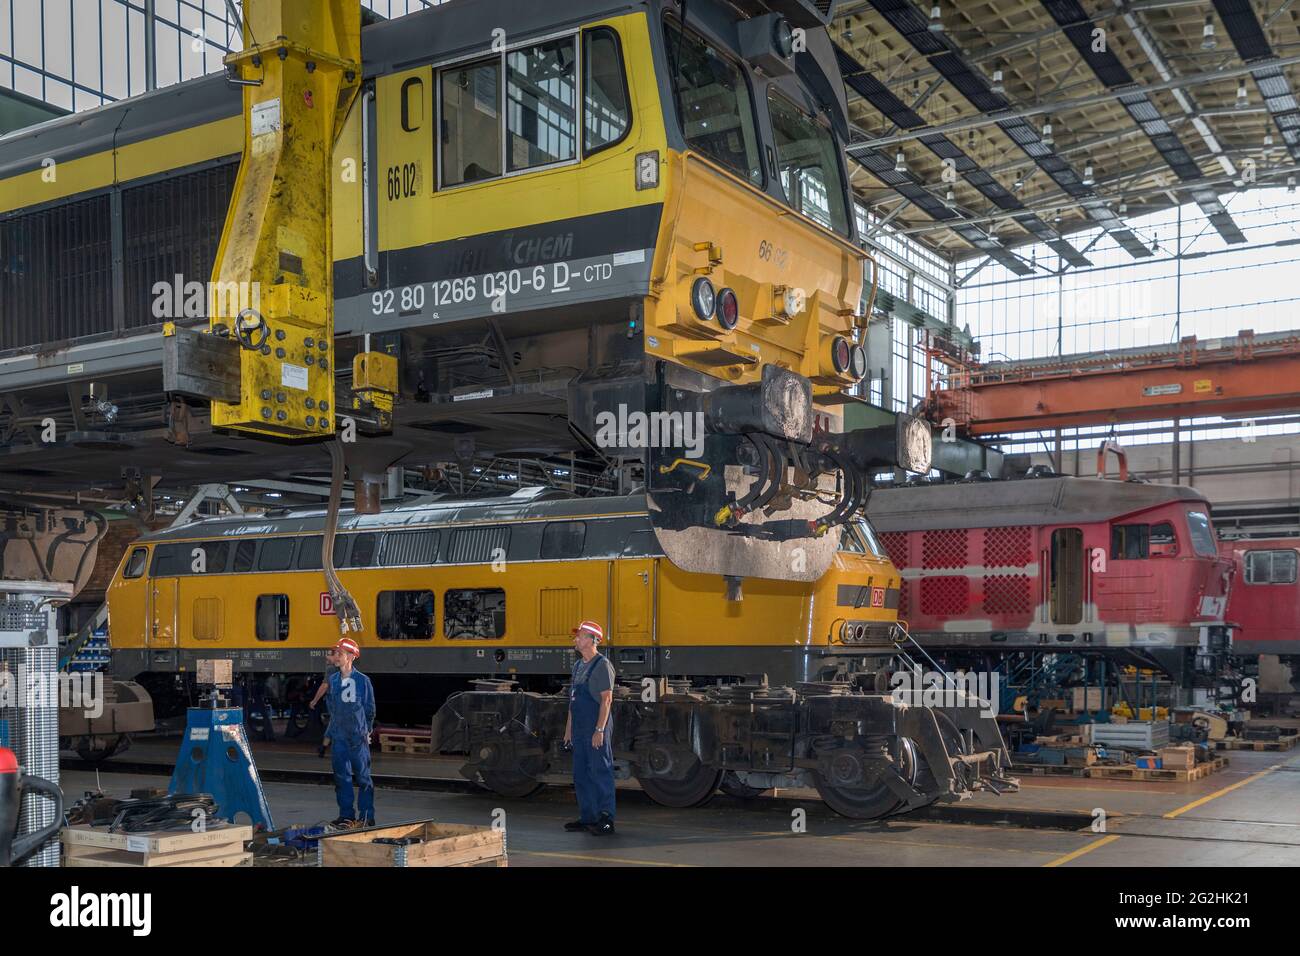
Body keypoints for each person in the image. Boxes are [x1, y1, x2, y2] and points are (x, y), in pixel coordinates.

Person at [310, 638, 375, 829]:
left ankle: (366, 816)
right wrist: (331, 734)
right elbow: (333, 710)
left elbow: (369, 708)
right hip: (340, 737)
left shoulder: (363, 681)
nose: (336, 657)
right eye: (336, 653)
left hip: (357, 737)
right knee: (341, 777)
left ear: (351, 657)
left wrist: (366, 730)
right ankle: (346, 815)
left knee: (363, 778)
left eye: (340, 653)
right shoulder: (333, 680)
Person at [564, 620, 616, 835]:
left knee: (600, 771)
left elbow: (606, 700)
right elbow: (573, 701)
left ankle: (606, 819)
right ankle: (588, 817)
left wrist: (600, 730)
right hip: (579, 727)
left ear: (592, 640)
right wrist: (568, 730)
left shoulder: (602, 665)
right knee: (581, 774)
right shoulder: (578, 666)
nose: (576, 639)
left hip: (596, 726)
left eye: (580, 636)